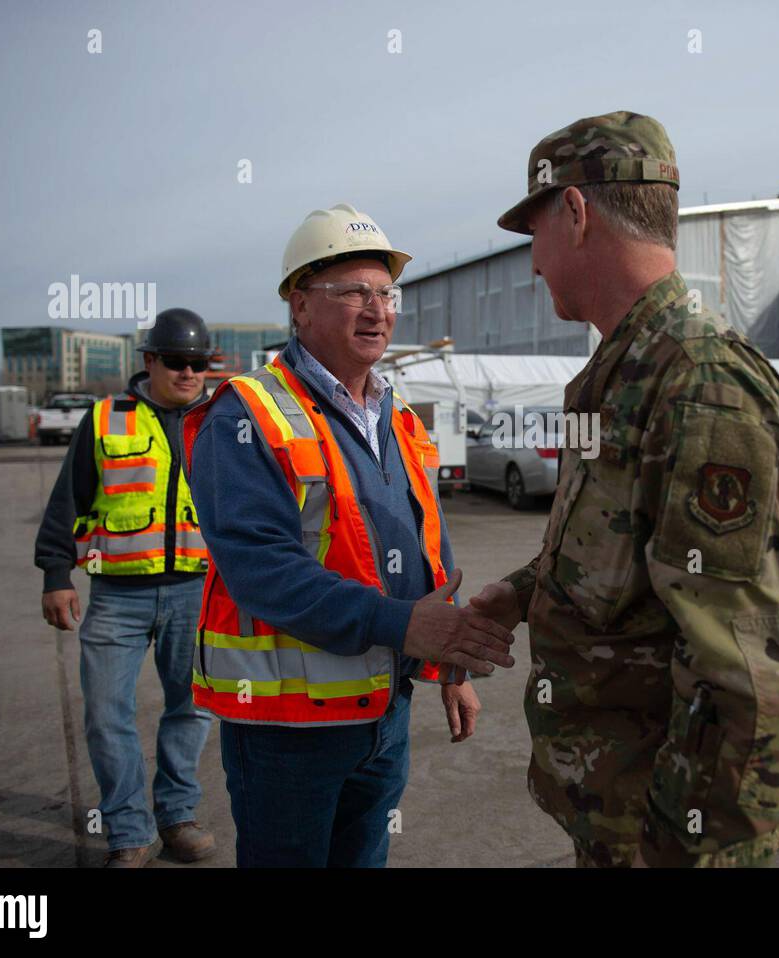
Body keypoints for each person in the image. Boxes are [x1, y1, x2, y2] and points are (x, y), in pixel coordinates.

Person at [470, 111, 779, 868]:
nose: (534, 265)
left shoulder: (700, 383)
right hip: (613, 811)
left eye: (535, 233)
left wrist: (695, 848)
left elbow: (747, 665)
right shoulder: (620, 374)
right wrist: (524, 592)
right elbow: (626, 551)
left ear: (576, 212)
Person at [183, 204, 514, 867]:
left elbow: (429, 553)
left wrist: (448, 664)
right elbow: (261, 570)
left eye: (387, 294)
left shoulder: (398, 417)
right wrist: (403, 625)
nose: (378, 310)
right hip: (288, 731)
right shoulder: (247, 413)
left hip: (384, 717)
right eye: (354, 293)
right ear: (301, 304)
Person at [35, 308, 218, 868]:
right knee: (106, 713)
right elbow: (67, 500)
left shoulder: (220, 421)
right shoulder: (106, 419)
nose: (189, 373)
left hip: (197, 593)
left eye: (199, 363)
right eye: (177, 361)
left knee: (191, 708)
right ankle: (128, 832)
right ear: (150, 361)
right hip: (117, 596)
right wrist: (56, 574)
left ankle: (177, 817)